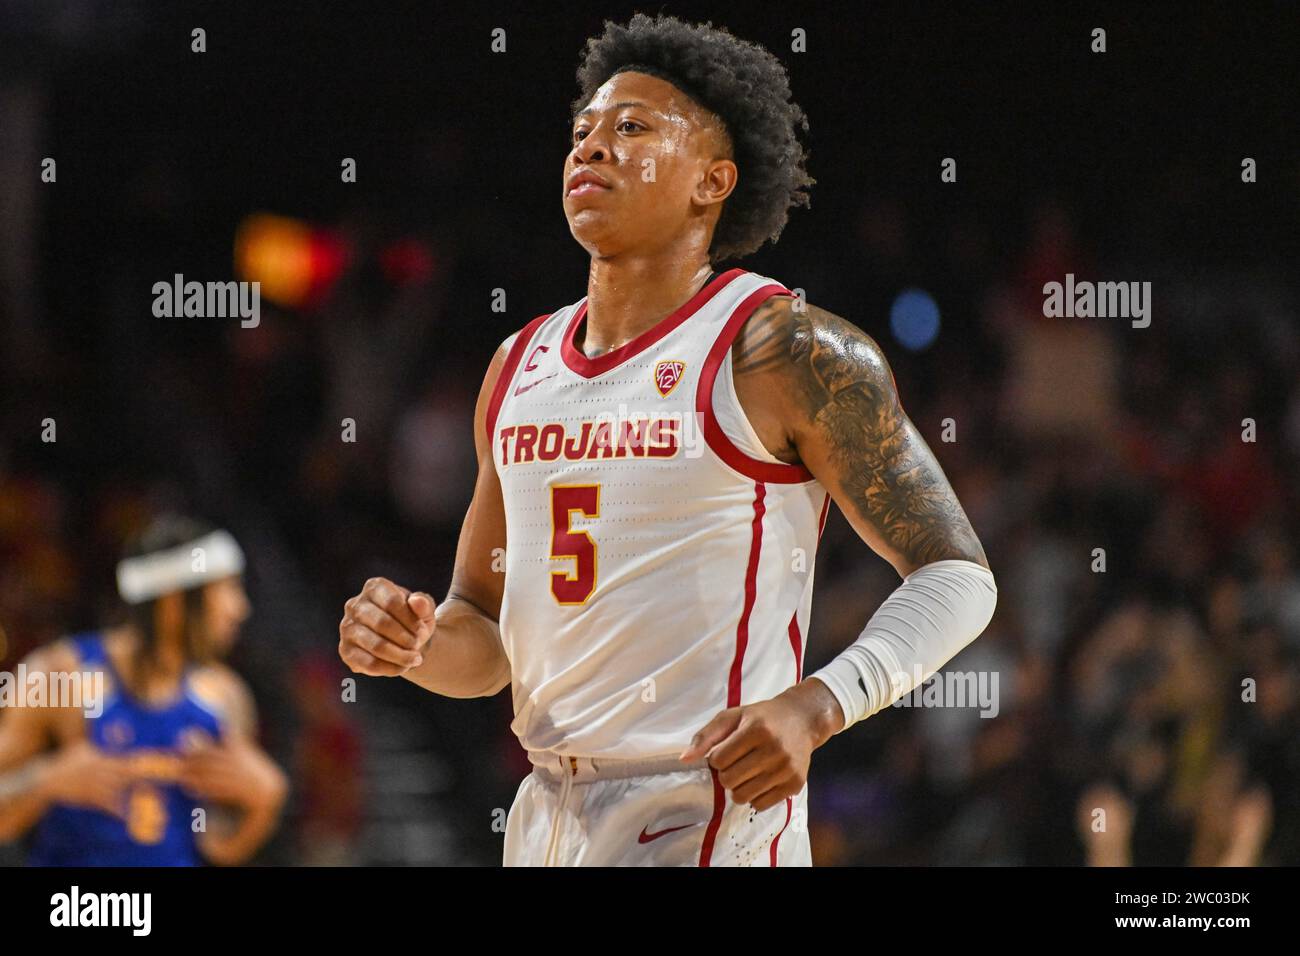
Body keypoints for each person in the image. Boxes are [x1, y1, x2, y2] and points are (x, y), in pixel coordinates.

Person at [339, 13, 996, 866]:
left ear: (713, 180)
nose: (593, 147)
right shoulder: (517, 364)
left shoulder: (779, 347)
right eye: (582, 131)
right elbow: (487, 636)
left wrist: (818, 704)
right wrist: (418, 645)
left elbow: (959, 576)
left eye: (633, 128)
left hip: (706, 811)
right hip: (543, 814)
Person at [0, 515, 288, 865]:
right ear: (173, 600)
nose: (240, 609)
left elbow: (218, 848)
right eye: (228, 589)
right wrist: (44, 780)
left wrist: (264, 803)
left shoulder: (226, 695)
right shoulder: (57, 675)